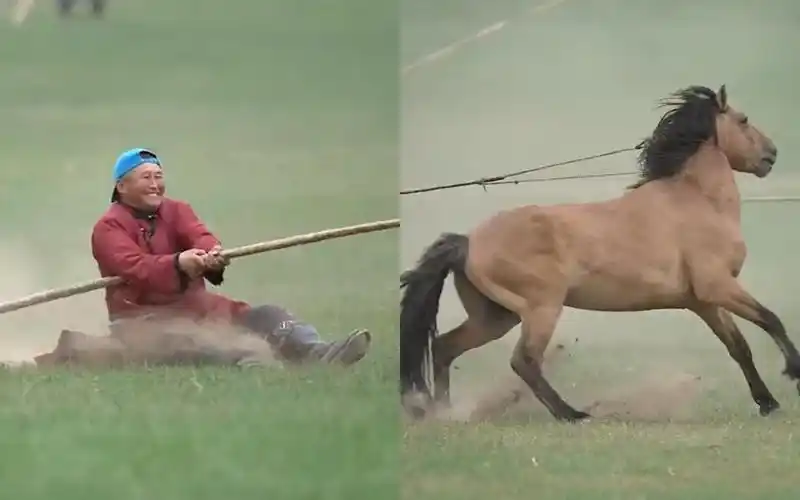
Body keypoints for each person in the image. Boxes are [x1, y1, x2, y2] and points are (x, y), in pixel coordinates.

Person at [85, 147, 372, 367]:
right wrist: (178, 263)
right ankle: (247, 361)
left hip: (198, 308)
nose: (154, 184)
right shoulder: (107, 228)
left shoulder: (177, 210)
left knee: (268, 316)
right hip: (142, 321)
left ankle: (317, 352)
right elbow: (136, 268)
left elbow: (200, 235)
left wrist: (212, 253)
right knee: (193, 342)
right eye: (145, 177)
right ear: (121, 187)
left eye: (158, 177)